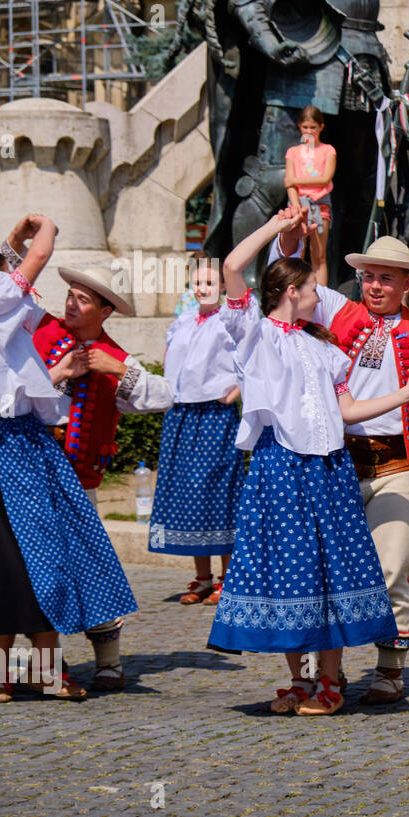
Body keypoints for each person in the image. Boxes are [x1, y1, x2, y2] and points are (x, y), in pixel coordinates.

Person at [207, 209, 409, 716]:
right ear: (290, 293)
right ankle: (302, 680)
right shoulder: (254, 334)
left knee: (331, 574)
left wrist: (405, 394)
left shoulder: (323, 348)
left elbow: (347, 411)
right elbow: (235, 267)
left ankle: (329, 682)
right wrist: (277, 224)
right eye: (309, 290)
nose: (317, 297)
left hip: (328, 469)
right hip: (279, 466)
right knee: (291, 574)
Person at [271, 218, 409, 706]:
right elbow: (285, 273)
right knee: (322, 571)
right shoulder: (337, 310)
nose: (375, 286)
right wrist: (292, 232)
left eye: (387, 278)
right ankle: (321, 672)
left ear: (406, 284)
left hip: (397, 465)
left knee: (393, 569)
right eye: (370, 276)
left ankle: (390, 668)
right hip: (333, 466)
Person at [0, 215, 136, 703]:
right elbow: (31, 263)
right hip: (15, 447)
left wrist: (7, 249)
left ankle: (1, 675)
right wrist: (49, 228)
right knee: (41, 556)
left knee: (5, 562)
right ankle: (43, 671)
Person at [32, 267, 173, 691]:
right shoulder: (40, 327)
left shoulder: (113, 355)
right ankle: (44, 665)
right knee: (40, 568)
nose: (71, 303)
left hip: (80, 480)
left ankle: (108, 661)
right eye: (70, 295)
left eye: (83, 299)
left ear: (105, 311)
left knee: (92, 565)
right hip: (32, 472)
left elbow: (165, 395)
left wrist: (119, 369)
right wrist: (16, 245)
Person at [148, 252, 245, 606]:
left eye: (211, 283)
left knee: (216, 494)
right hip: (181, 414)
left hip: (214, 416)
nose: (204, 288)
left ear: (222, 286)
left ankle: (227, 579)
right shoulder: (183, 321)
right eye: (199, 282)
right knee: (189, 495)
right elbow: (169, 360)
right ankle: (202, 578)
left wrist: (236, 390)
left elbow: (249, 357)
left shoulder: (229, 320)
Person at [284, 106, 337, 287]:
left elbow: (324, 179)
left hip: (319, 204)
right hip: (298, 204)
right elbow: (288, 184)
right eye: (305, 127)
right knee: (298, 252)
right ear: (300, 126)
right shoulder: (293, 152)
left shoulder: (328, 150)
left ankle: (321, 294)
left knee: (318, 254)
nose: (309, 131)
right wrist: (295, 203)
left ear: (321, 127)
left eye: (313, 127)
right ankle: (296, 289)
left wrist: (295, 180)